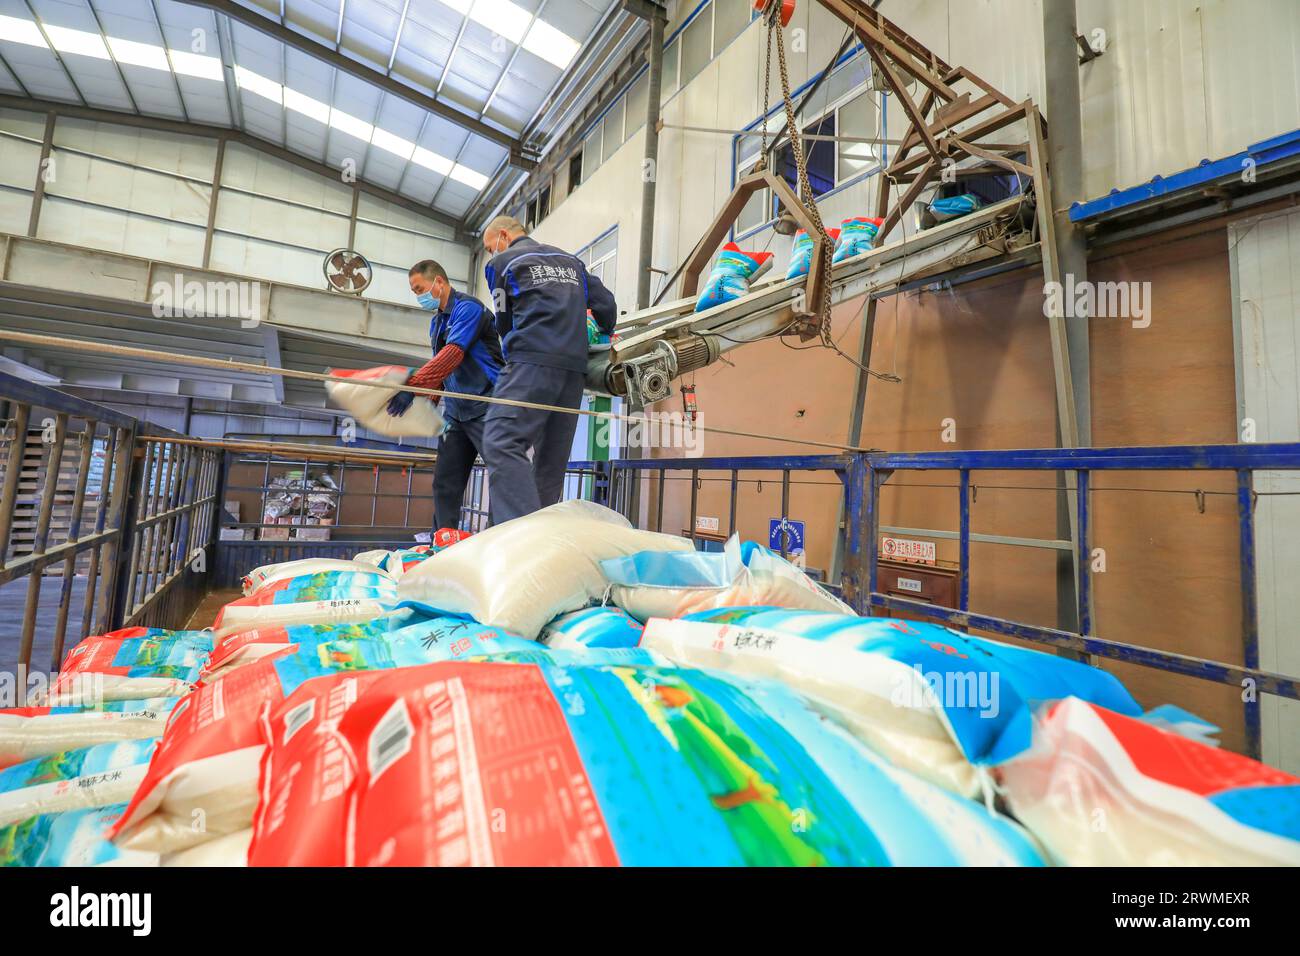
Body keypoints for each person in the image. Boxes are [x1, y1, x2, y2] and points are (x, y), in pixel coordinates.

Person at [479, 215, 617, 523]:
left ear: (503, 236)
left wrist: (514, 355)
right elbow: (606, 304)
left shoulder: (502, 263)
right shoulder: (571, 262)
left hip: (531, 361)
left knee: (500, 440)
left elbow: (504, 321)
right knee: (551, 462)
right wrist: (605, 332)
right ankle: (537, 542)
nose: (492, 253)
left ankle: (521, 535)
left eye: (490, 247)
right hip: (573, 371)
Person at [388, 259, 502, 531]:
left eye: (419, 289)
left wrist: (413, 386)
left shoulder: (469, 309)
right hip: (456, 411)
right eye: (414, 291)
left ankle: (496, 540)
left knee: (502, 477)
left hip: (488, 405)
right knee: (445, 480)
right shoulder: (437, 323)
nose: (418, 296)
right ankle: (442, 540)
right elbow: (441, 370)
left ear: (438, 282)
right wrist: (426, 401)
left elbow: (452, 355)